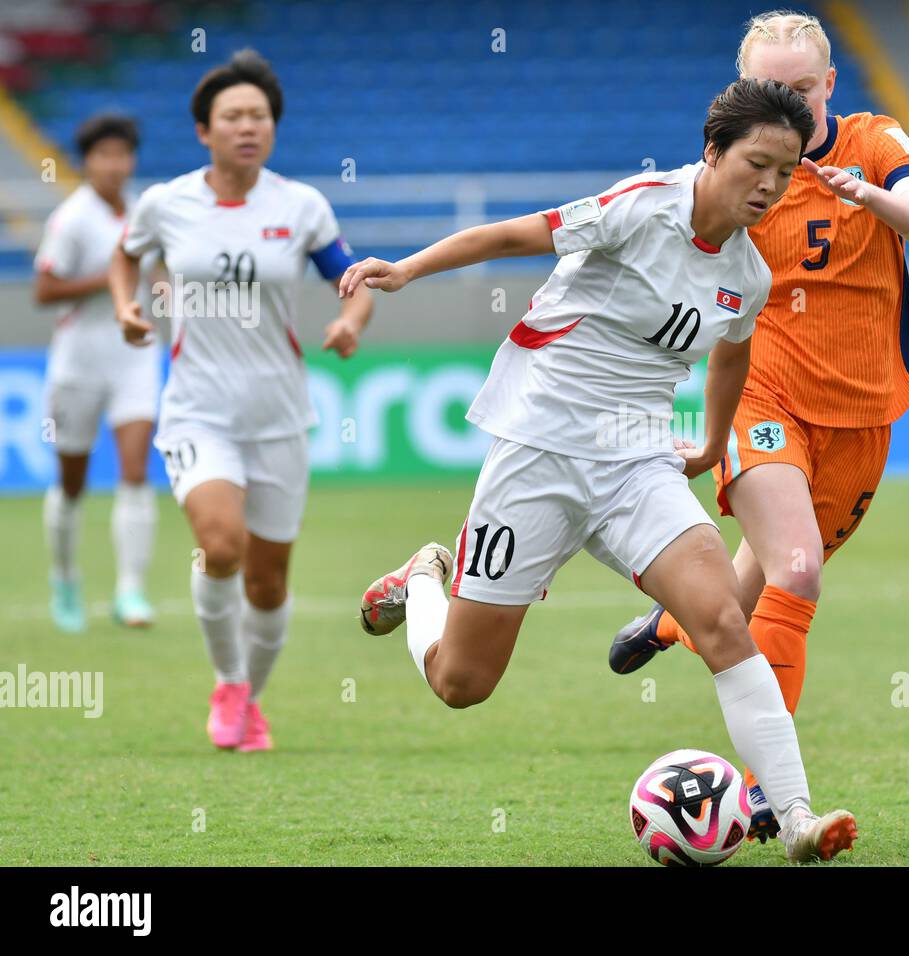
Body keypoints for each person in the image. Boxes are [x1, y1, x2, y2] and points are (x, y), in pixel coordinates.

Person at [345, 78, 856, 863]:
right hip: (538, 451)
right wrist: (410, 270)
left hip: (637, 460)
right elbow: (519, 234)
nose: (770, 185)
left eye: (786, 172)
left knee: (722, 619)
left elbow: (732, 354)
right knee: (462, 682)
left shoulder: (748, 274)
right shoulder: (643, 204)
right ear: (713, 152)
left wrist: (714, 442)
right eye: (758, 163)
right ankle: (422, 577)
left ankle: (794, 818)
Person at [607, 10, 909, 843]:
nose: (787, 106)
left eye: (801, 89)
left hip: (866, 409)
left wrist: (873, 198)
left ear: (829, 85)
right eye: (769, 90)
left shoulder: (873, 142)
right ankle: (774, 797)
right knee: (797, 571)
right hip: (763, 396)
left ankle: (673, 620)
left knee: (758, 589)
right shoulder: (745, 169)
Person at [108, 49, 373, 752]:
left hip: (279, 416)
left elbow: (353, 278)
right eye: (233, 116)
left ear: (273, 128)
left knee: (267, 580)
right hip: (196, 409)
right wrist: (125, 307)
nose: (248, 127)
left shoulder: (301, 205)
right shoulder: (167, 203)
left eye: (259, 116)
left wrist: (350, 322)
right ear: (204, 130)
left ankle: (251, 698)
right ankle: (227, 682)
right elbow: (124, 254)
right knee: (220, 547)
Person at [35, 113, 159, 632]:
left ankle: (130, 591)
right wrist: (111, 281)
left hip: (134, 354)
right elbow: (44, 291)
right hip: (78, 363)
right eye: (104, 154)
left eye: (123, 154)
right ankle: (64, 578)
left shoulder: (147, 212)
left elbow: (166, 269)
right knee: (72, 484)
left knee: (134, 471)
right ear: (86, 162)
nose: (115, 164)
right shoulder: (72, 219)